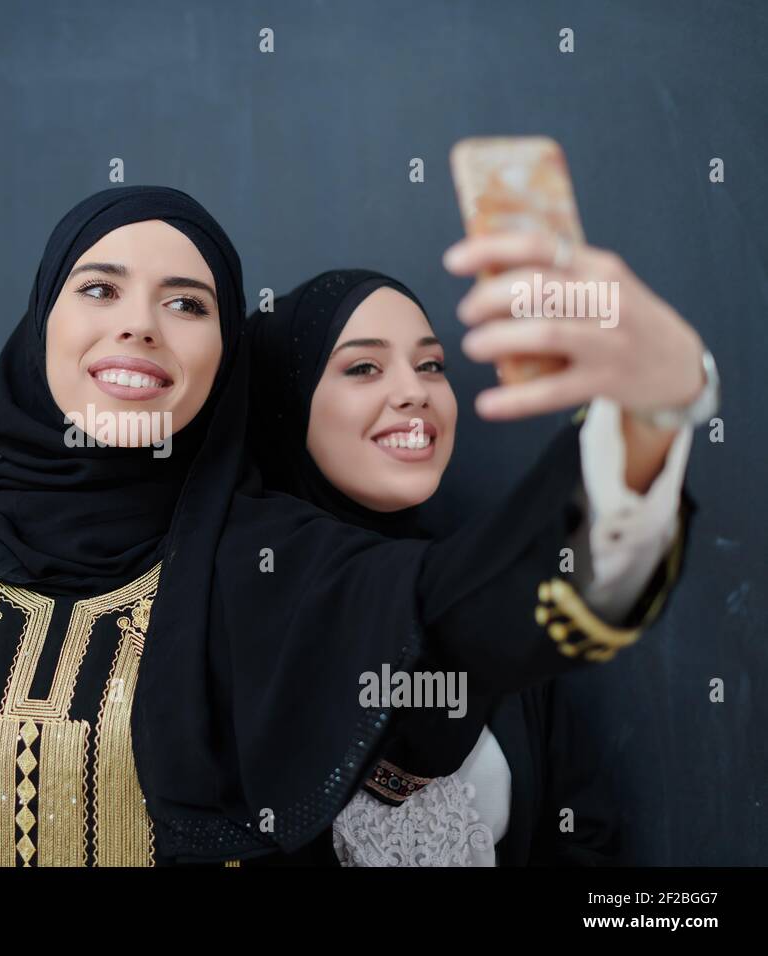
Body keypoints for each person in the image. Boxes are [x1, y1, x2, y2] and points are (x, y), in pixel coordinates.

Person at [0, 187, 705, 866]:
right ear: (44, 318)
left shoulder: (262, 559)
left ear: (223, 360)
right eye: (98, 287)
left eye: (187, 303)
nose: (139, 326)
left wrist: (648, 421)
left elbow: (462, 614)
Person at [248, 269, 693, 865]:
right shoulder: (229, 613)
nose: (415, 393)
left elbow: (584, 842)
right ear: (287, 402)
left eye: (431, 365)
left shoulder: (495, 612)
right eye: (363, 368)